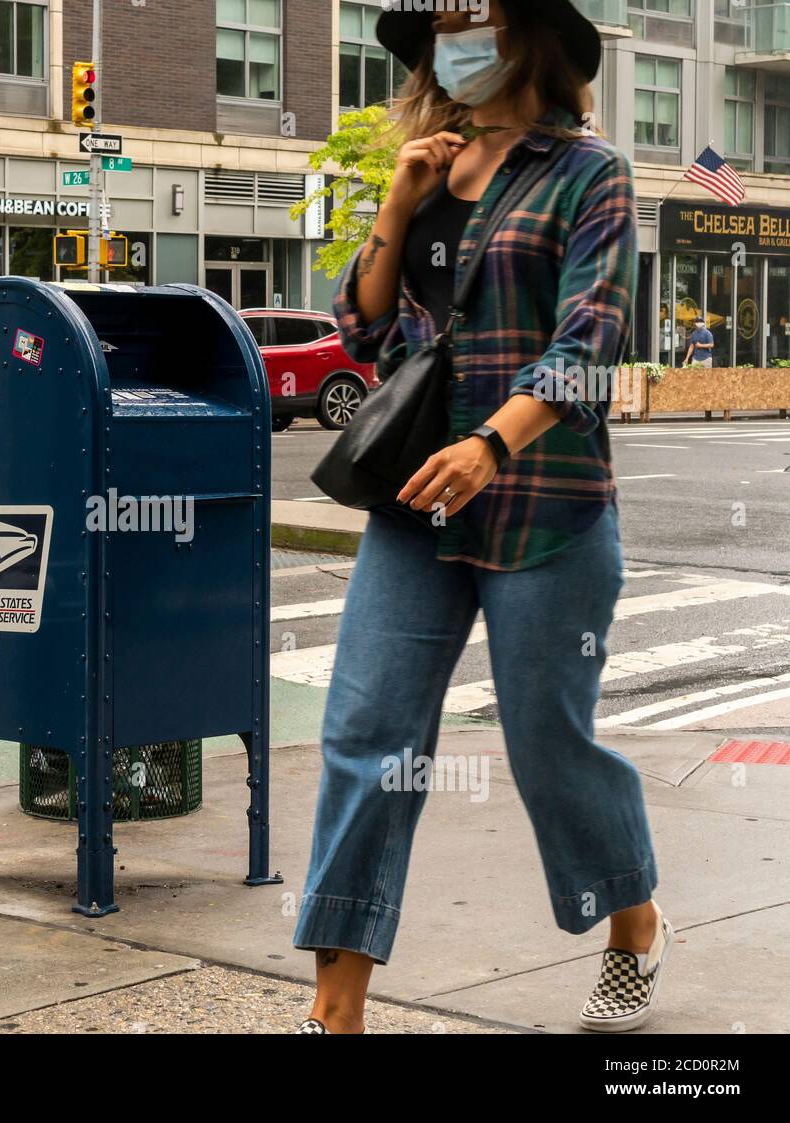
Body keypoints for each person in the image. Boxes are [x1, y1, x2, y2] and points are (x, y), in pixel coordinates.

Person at [293, 0, 671, 1035]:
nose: (453, 39)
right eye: (442, 23)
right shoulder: (431, 166)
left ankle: (631, 920)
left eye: (475, 17)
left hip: (544, 506)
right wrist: (396, 201)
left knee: (547, 742)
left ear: (527, 37)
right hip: (417, 507)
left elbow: (589, 339)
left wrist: (492, 442)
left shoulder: (589, 172)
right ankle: (335, 1011)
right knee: (365, 734)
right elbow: (365, 334)